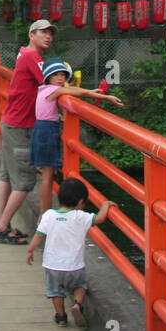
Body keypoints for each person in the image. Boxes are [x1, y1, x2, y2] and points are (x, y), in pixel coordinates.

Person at [31, 58, 124, 217]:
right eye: (56, 75)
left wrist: (72, 87)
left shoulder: (44, 89)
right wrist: (103, 96)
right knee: (48, 176)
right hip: (46, 132)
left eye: (62, 75)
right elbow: (78, 92)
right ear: (48, 77)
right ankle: (44, 216)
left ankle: (44, 215)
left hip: (43, 130)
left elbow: (69, 90)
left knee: (49, 174)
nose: (60, 78)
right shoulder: (54, 91)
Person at [0, 19, 55, 244]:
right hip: (20, 126)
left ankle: (1, 224)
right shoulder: (32, 57)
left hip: (12, 121)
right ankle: (1, 227)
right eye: (43, 32)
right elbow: (50, 85)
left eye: (50, 33)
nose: (48, 36)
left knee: (7, 176)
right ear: (32, 35)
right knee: (25, 180)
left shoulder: (24, 55)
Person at [25, 177, 114, 326]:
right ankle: (77, 304)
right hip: (74, 266)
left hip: (52, 265)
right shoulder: (81, 217)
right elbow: (100, 218)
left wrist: (30, 250)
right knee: (80, 286)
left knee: (55, 292)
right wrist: (105, 205)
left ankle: (61, 317)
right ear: (80, 202)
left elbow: (39, 235)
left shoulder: (49, 215)